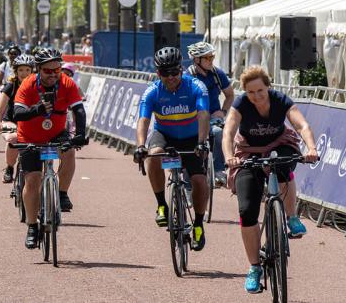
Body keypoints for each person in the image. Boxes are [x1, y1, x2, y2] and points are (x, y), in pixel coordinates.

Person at [223, 66, 319, 294]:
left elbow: (301, 125)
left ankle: (292, 216)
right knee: (247, 211)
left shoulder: (281, 100)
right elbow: (228, 132)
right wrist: (229, 157)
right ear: (245, 92)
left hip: (278, 146)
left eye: (260, 91)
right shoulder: (241, 105)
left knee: (284, 164)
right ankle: (255, 267)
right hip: (249, 151)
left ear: (268, 87)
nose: (256, 96)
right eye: (250, 92)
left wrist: (311, 148)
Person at [133, 46, 211, 251]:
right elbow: (143, 120)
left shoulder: (196, 86)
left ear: (181, 69)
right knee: (154, 154)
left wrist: (202, 142)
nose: (170, 77)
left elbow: (203, 115)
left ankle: (198, 224)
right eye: (164, 73)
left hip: (193, 137)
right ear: (158, 73)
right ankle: (161, 204)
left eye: (174, 72)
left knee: (200, 181)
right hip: (165, 136)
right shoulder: (152, 91)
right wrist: (140, 146)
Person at [12, 48, 88, 248]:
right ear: (38, 70)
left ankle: (62, 193)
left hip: (55, 133)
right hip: (29, 137)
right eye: (48, 71)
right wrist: (36, 109)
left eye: (57, 70)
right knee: (32, 180)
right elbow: (17, 112)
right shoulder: (28, 85)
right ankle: (31, 226)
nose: (53, 74)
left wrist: (80, 134)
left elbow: (79, 110)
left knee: (69, 152)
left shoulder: (66, 83)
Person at [187, 41, 234, 186]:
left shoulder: (217, 74)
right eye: (207, 58)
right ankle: (186, 184)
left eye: (212, 57)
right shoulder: (187, 77)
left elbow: (230, 95)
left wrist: (223, 111)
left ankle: (219, 170)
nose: (211, 61)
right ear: (196, 60)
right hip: (194, 121)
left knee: (219, 133)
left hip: (213, 119)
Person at [0, 54, 35, 183]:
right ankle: (9, 168)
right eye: (21, 70)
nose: (24, 73)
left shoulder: (38, 86)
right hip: (11, 122)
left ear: (32, 71)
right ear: (16, 71)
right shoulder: (10, 86)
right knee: (13, 138)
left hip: (32, 123)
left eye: (27, 70)